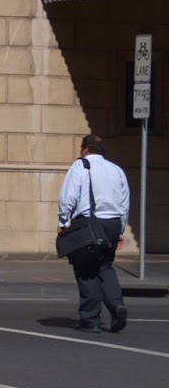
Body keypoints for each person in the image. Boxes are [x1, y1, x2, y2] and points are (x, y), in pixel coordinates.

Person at [57, 134, 131, 334]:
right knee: (105, 266)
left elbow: (68, 196)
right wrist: (121, 229)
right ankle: (117, 307)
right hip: (113, 223)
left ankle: (91, 320)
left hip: (89, 222)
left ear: (86, 149)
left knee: (86, 269)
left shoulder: (80, 165)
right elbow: (124, 203)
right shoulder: (116, 170)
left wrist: (62, 222)